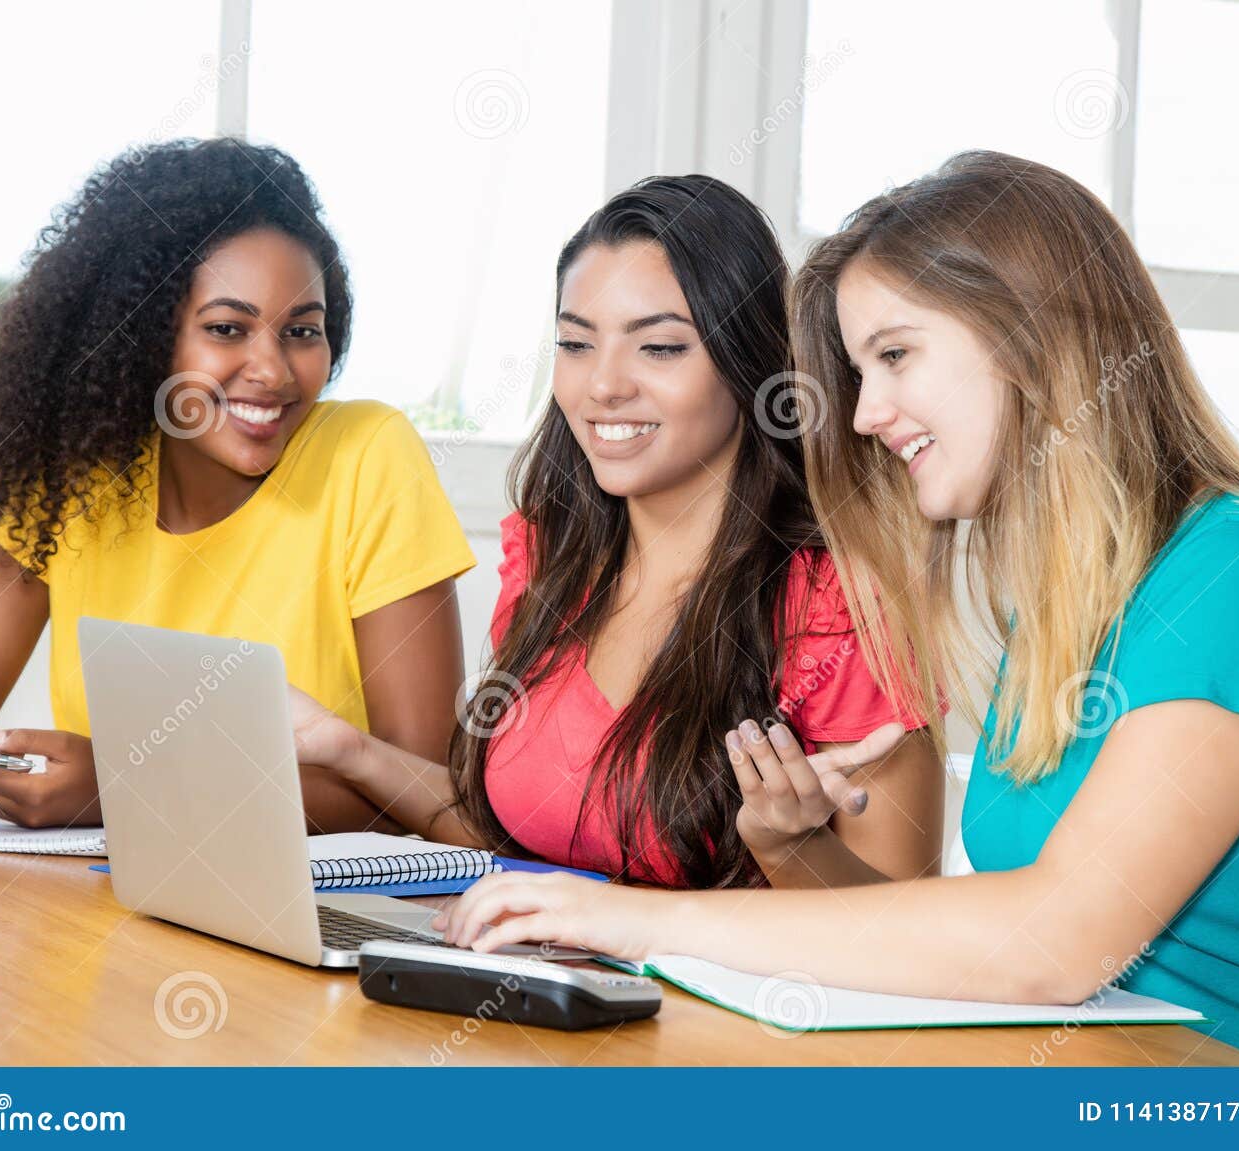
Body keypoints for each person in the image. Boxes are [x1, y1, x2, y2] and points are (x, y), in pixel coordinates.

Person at [432, 152, 1239, 1066]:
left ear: (1029, 341)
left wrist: (629, 919)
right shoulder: (1060, 607)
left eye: (896, 357)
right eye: (860, 371)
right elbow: (956, 943)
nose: (865, 413)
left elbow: (1049, 943)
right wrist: (790, 848)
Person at [288, 174, 944, 888]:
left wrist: (789, 847)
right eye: (576, 344)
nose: (602, 385)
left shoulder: (841, 606)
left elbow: (904, 926)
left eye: (658, 348)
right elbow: (524, 838)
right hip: (537, 984)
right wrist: (348, 749)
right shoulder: (550, 555)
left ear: (749, 361)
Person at [0, 138, 473, 838]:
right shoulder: (72, 480)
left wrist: (126, 785)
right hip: (104, 909)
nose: (272, 370)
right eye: (226, 328)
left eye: (303, 330)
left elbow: (425, 789)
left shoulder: (367, 455)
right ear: (144, 335)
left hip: (314, 918)